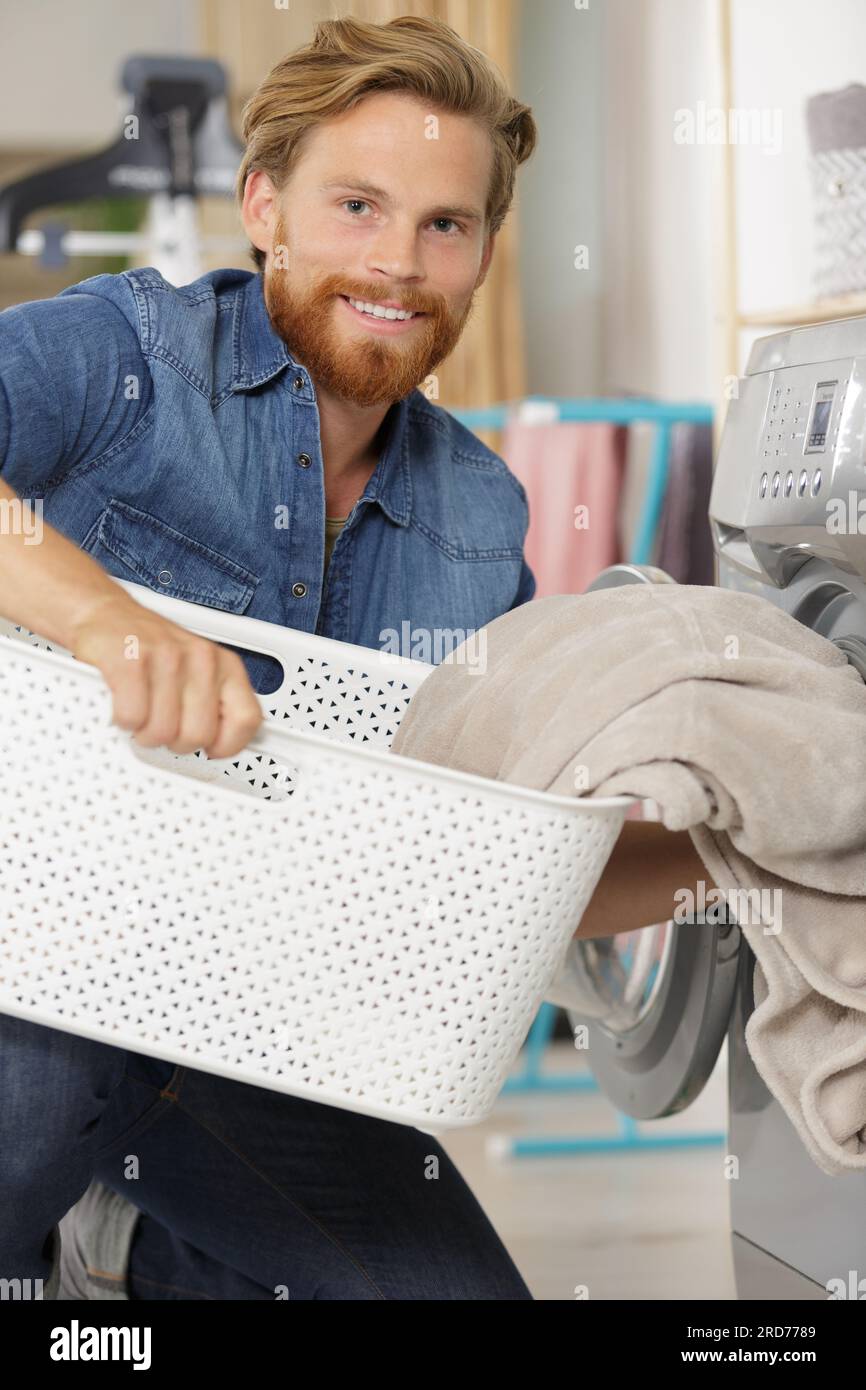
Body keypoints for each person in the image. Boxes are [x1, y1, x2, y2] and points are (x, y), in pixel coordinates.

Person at [0, 14, 710, 1300]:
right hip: (28, 979)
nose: (398, 261)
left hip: (252, 1041)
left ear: (485, 252)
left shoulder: (480, 519)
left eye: (444, 224)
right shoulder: (125, 360)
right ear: (263, 203)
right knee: (43, 1088)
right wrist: (110, 620)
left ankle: (134, 1234)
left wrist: (748, 851)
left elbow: (475, 869)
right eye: (357, 205)